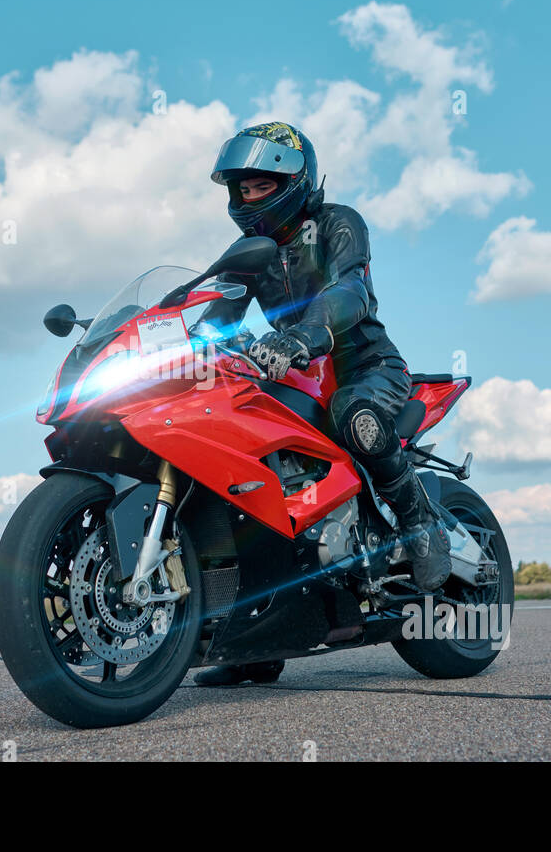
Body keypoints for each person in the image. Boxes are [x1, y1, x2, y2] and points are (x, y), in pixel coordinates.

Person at [192, 122, 451, 687]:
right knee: (240, 470)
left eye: (263, 185)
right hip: (291, 375)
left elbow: (351, 290)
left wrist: (308, 333)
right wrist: (175, 343)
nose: (249, 199)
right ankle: (254, 643)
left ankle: (420, 521)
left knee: (355, 418)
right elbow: (214, 318)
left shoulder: (338, 223)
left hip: (363, 368)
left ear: (297, 178)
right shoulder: (248, 253)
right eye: (242, 189)